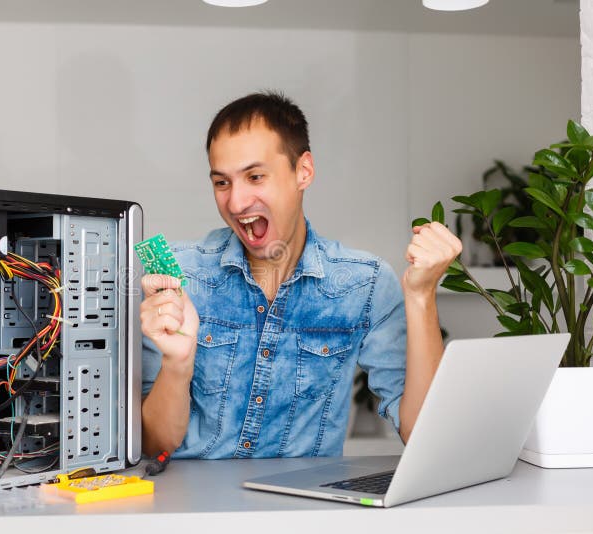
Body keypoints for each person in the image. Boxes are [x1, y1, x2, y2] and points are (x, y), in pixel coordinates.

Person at [140, 91, 461, 459]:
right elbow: (153, 446)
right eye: (222, 182)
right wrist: (177, 364)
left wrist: (422, 297)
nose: (236, 202)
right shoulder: (178, 277)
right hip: (190, 509)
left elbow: (423, 435)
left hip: (304, 511)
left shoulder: (366, 284)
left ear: (303, 171)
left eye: (255, 176)